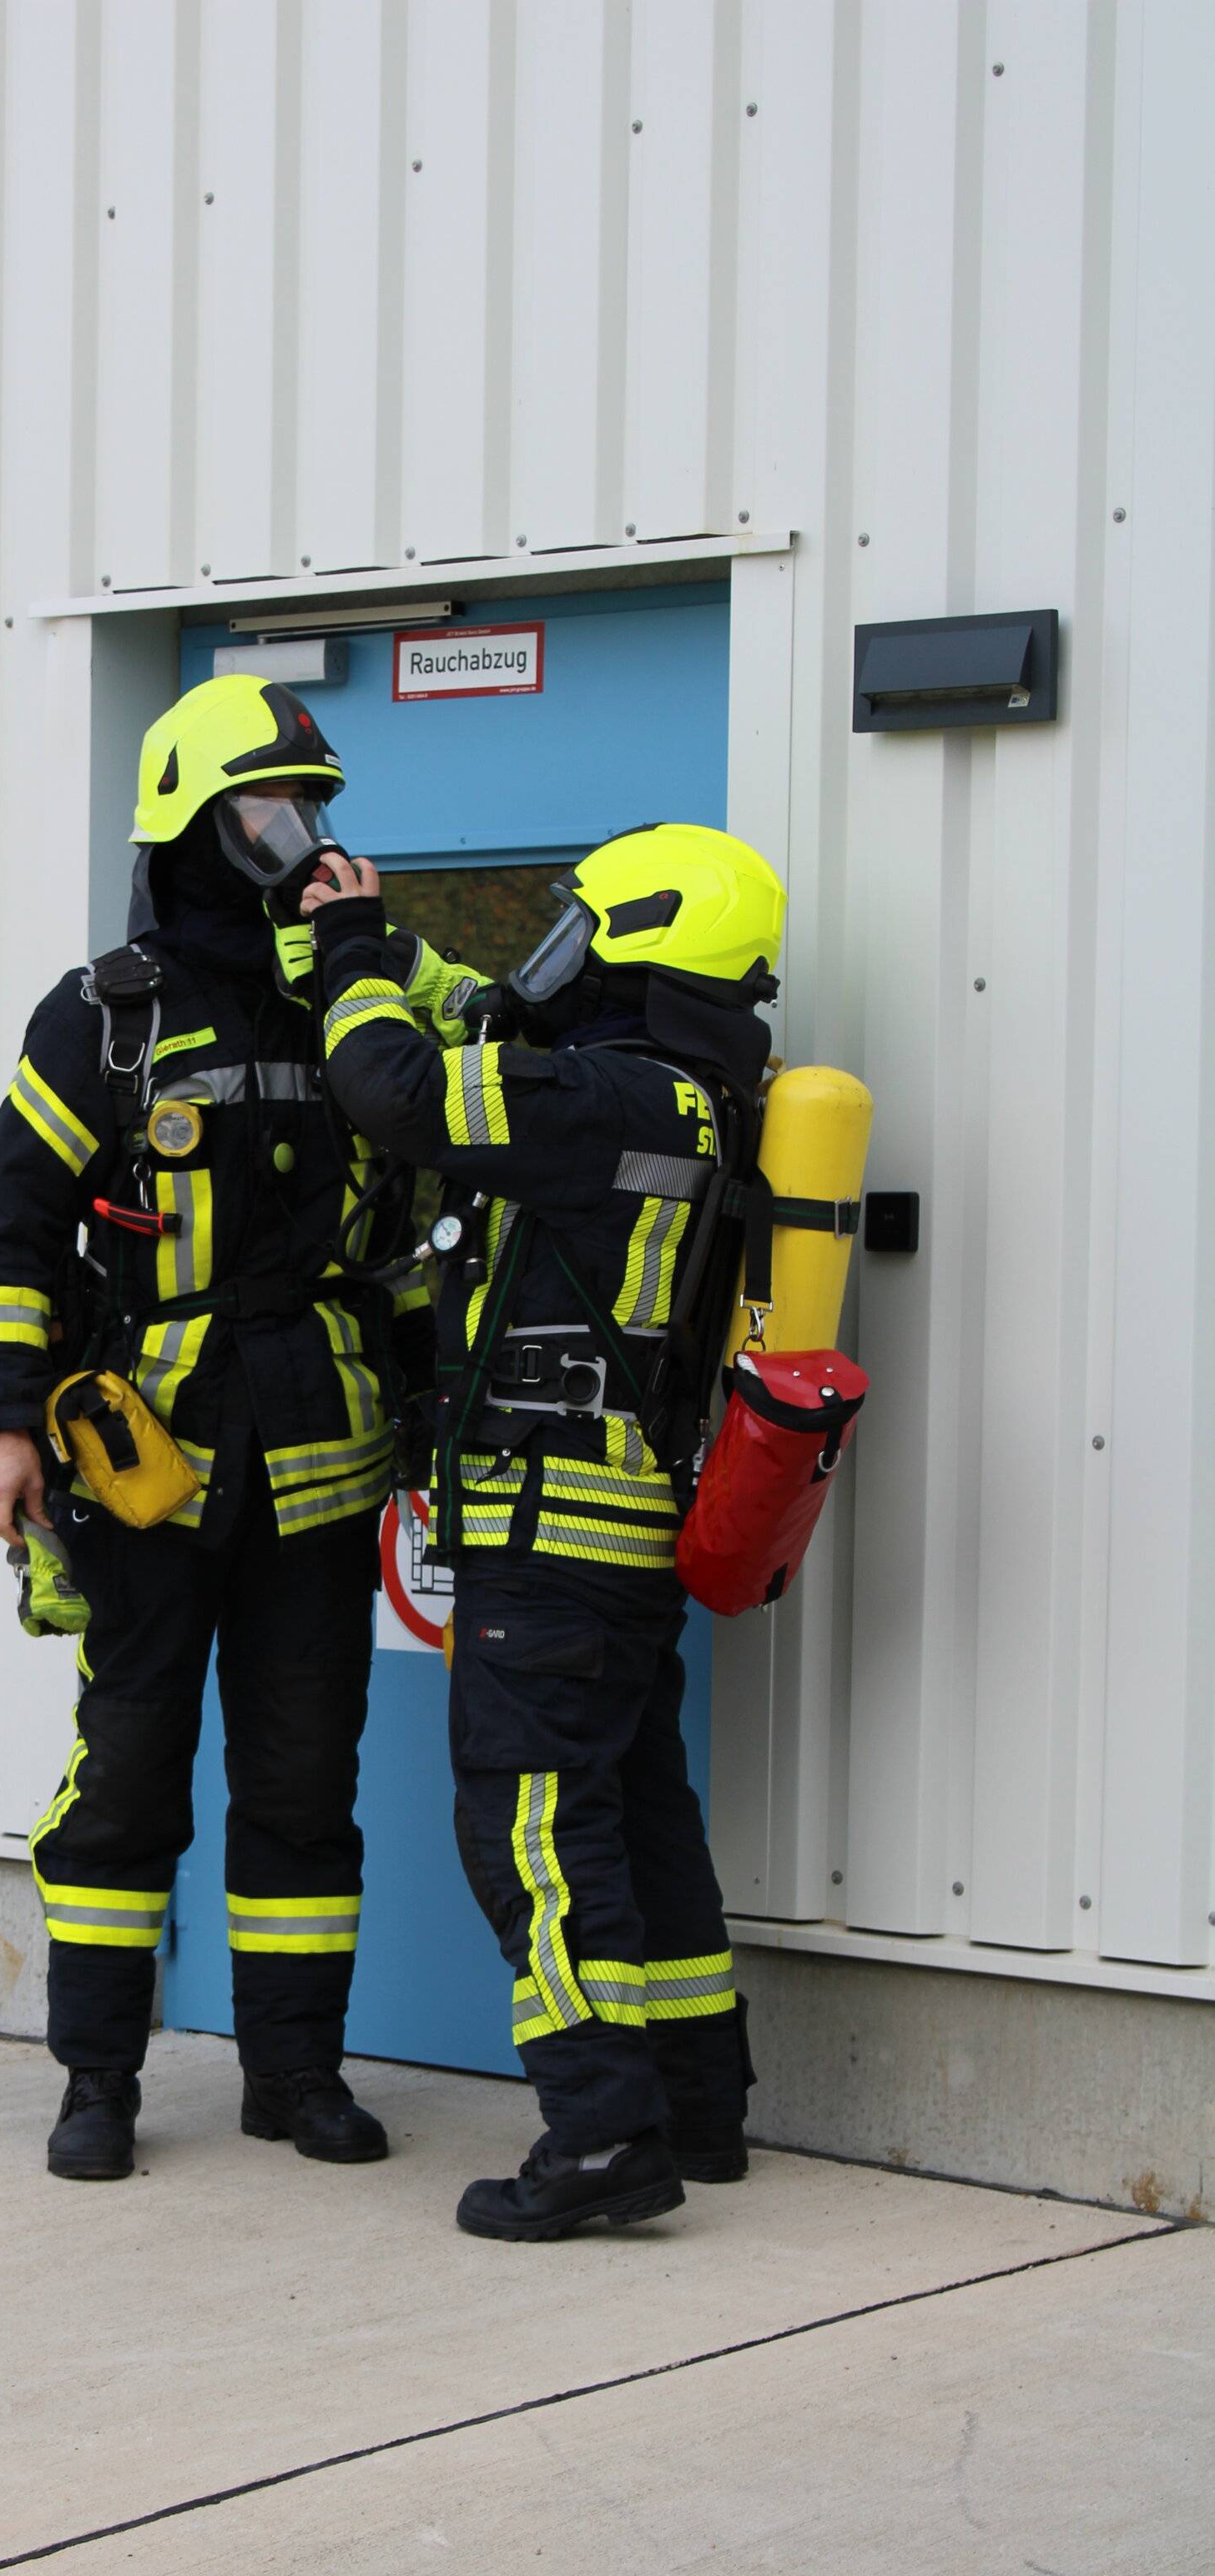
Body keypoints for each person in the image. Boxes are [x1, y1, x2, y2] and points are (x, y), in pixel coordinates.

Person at [0, 674, 452, 2183]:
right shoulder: (103, 1014)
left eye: (311, 809)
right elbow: (20, 1229)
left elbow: (453, 1156)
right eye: (267, 811)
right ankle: (96, 2081)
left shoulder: (364, 985)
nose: (299, 838)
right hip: (148, 1467)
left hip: (318, 1463)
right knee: (126, 1777)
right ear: (189, 825)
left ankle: (294, 2078)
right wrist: (2, 1426)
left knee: (307, 1786)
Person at [305, 825, 783, 2239]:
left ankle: (597, 2137)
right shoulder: (690, 1095)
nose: (557, 954)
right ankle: (700, 2105)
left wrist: (343, 966)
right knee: (639, 1812)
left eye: (584, 930)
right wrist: (404, 955)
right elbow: (488, 1027)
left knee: (529, 1828)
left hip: (548, 1538)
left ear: (637, 947)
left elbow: (396, 1094)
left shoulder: (600, 1097)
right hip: (627, 1533)